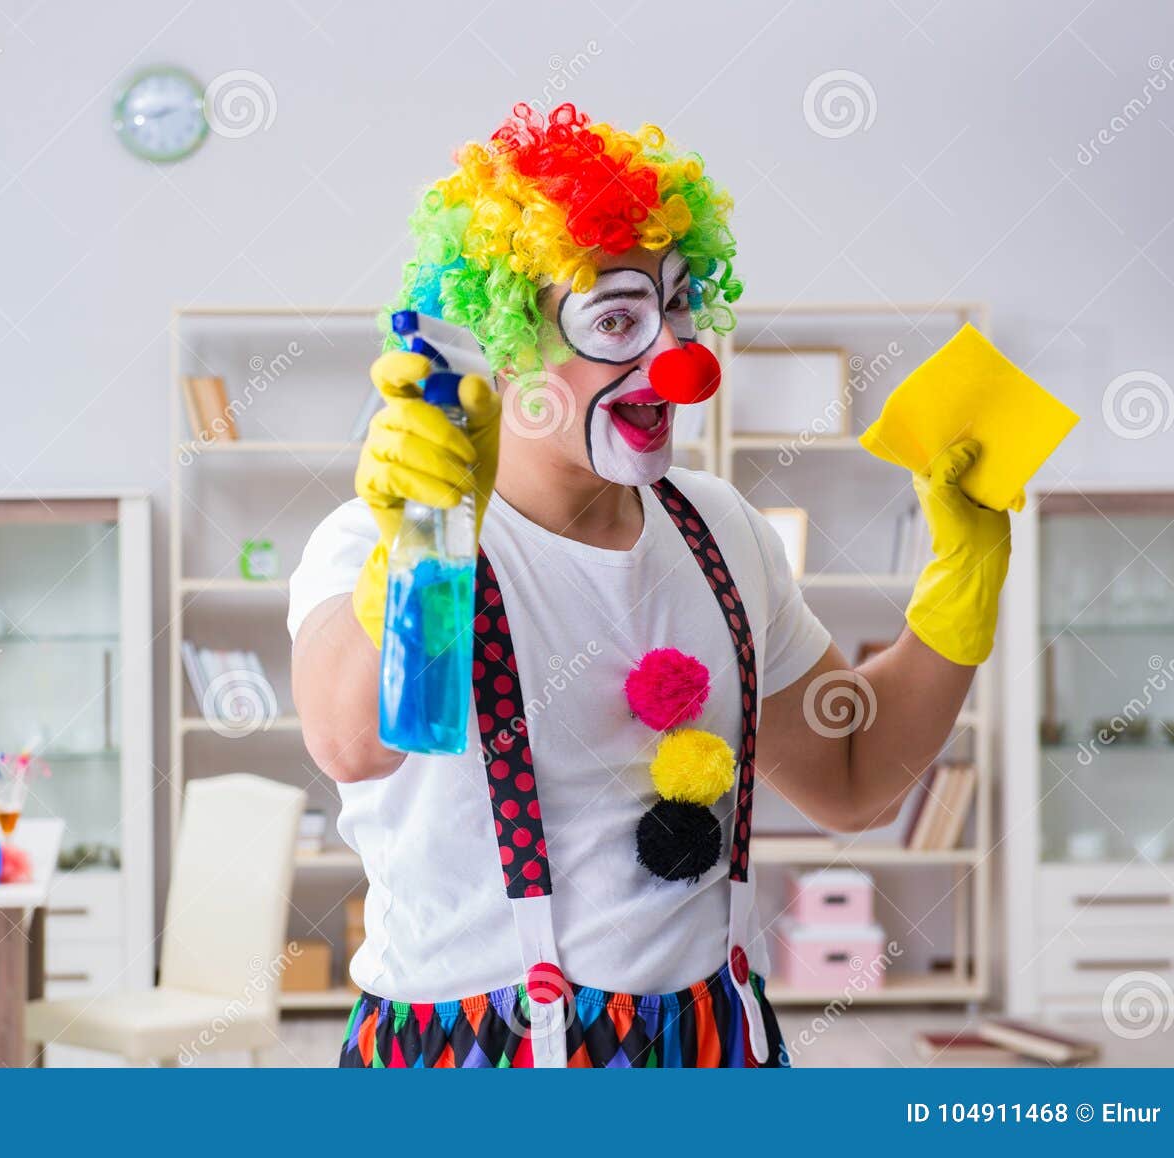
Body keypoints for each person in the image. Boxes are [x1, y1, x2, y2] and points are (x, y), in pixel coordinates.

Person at [287, 102, 1009, 1068]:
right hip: (468, 1051)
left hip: (712, 1036)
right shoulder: (371, 543)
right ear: (505, 350)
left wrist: (961, 584)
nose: (680, 361)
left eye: (676, 308)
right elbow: (353, 741)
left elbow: (851, 776)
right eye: (618, 319)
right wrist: (421, 539)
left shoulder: (720, 527)